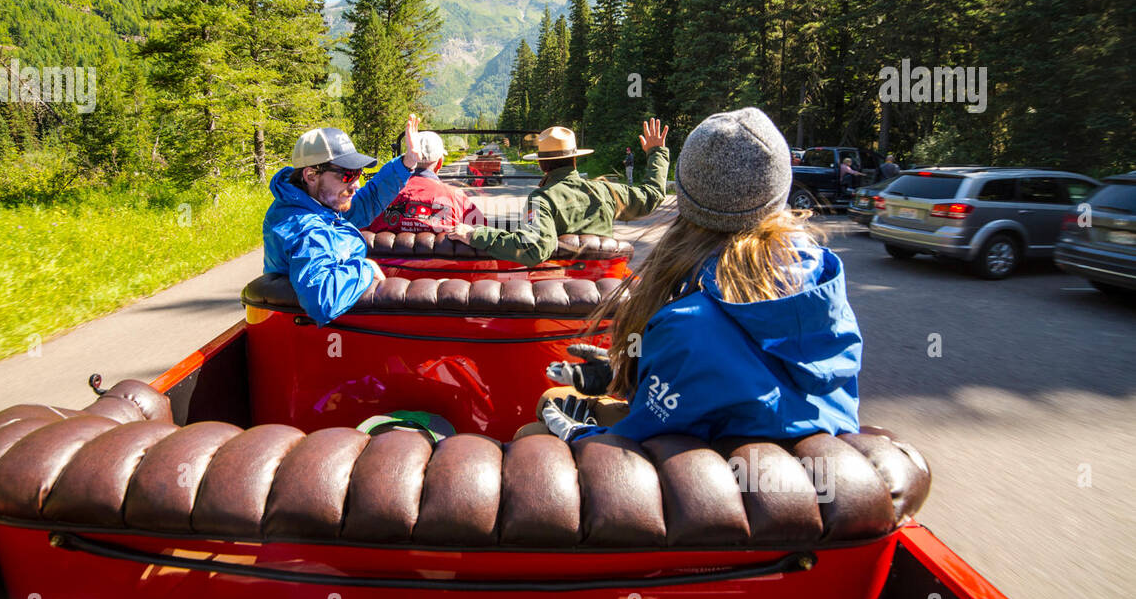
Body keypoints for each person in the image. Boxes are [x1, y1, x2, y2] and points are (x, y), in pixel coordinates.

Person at [521, 107, 862, 445]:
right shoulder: (824, 285)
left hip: (704, 474)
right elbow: (735, 381)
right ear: (779, 191)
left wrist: (582, 436)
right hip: (800, 453)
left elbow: (649, 436)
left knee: (537, 422)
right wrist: (627, 375)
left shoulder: (686, 324)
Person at [262, 114, 422, 326]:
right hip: (313, 336)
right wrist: (364, 268)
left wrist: (406, 163)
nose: (356, 184)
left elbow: (366, 202)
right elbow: (322, 300)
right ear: (311, 176)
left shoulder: (314, 204)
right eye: (347, 175)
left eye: (358, 173)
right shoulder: (307, 229)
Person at [446, 120, 669, 265]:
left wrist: (474, 235)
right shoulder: (606, 191)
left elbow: (534, 249)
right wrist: (656, 153)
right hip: (604, 287)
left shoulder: (542, 199)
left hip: (560, 288)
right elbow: (651, 195)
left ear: (542, 164)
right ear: (574, 158)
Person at [367, 129, 481, 234]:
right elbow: (481, 233)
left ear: (406, 159)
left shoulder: (383, 193)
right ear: (440, 163)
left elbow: (357, 230)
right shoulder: (456, 197)